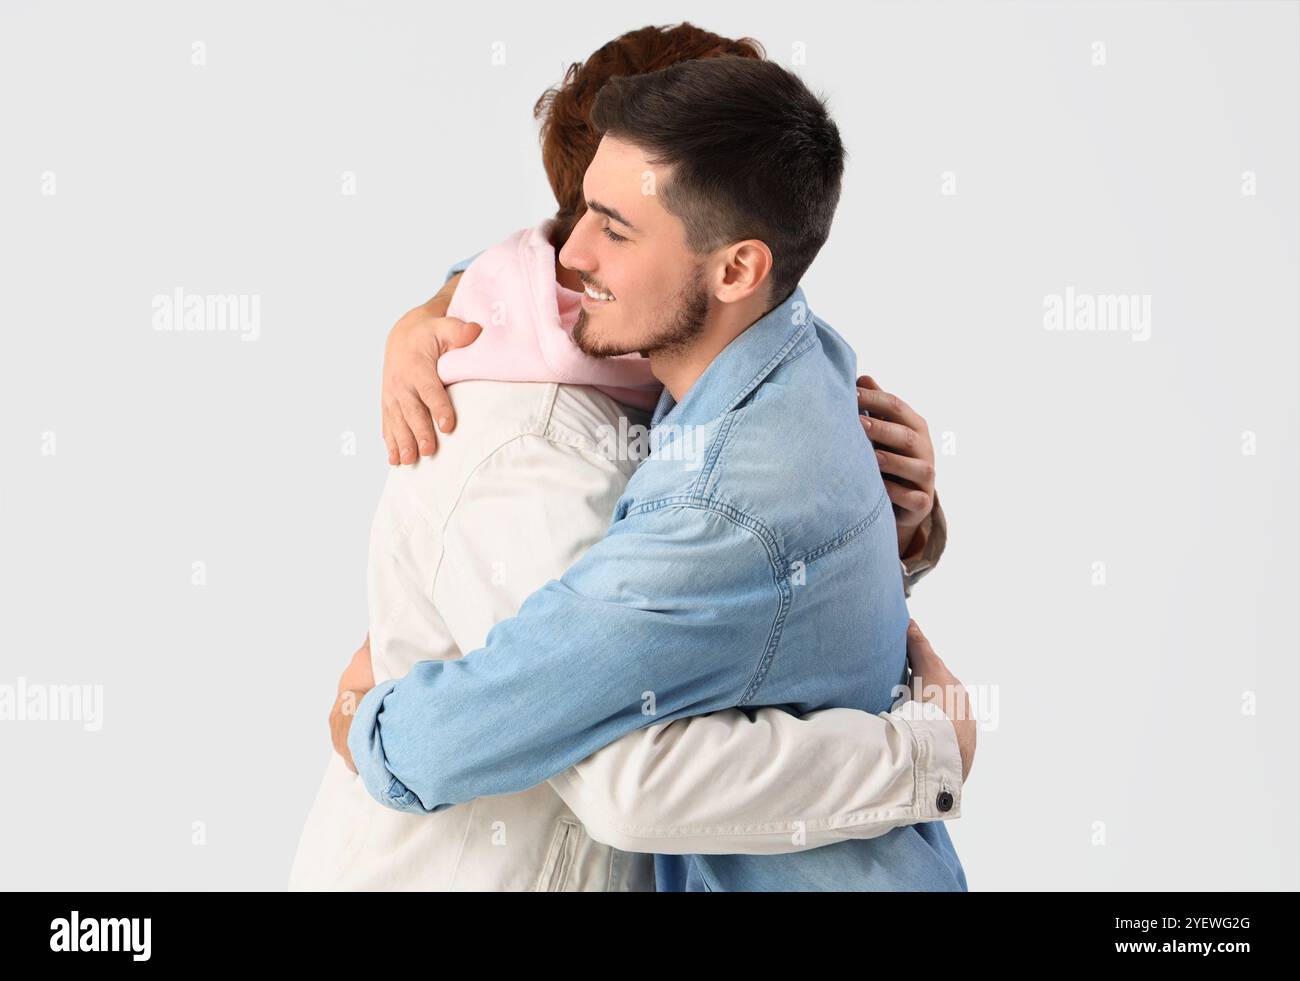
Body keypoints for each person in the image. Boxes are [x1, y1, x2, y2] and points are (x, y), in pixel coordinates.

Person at [335, 53, 970, 891]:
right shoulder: (785, 346)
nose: (567, 255)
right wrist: (430, 310)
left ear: (741, 266)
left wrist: (365, 717)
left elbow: (622, 784)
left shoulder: (718, 496)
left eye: (614, 228)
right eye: (577, 214)